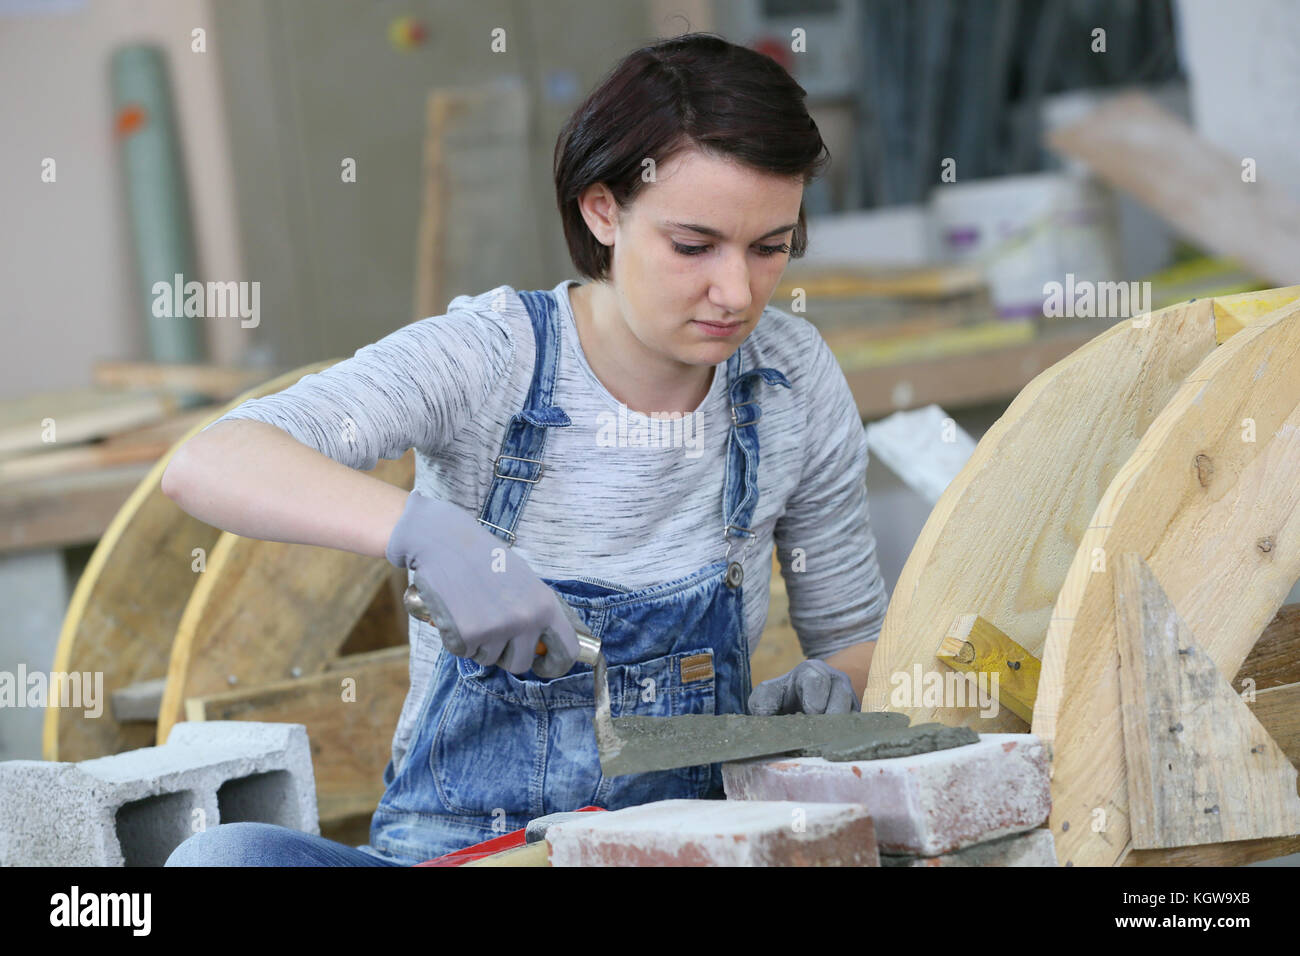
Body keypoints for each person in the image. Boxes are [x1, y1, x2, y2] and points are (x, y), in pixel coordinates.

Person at [161, 32, 888, 867]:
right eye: (694, 246)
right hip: (464, 856)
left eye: (770, 248)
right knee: (225, 861)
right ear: (602, 209)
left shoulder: (788, 379)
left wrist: (830, 697)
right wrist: (427, 531)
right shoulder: (492, 358)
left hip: (689, 850)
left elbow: (853, 640)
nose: (736, 292)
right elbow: (212, 459)